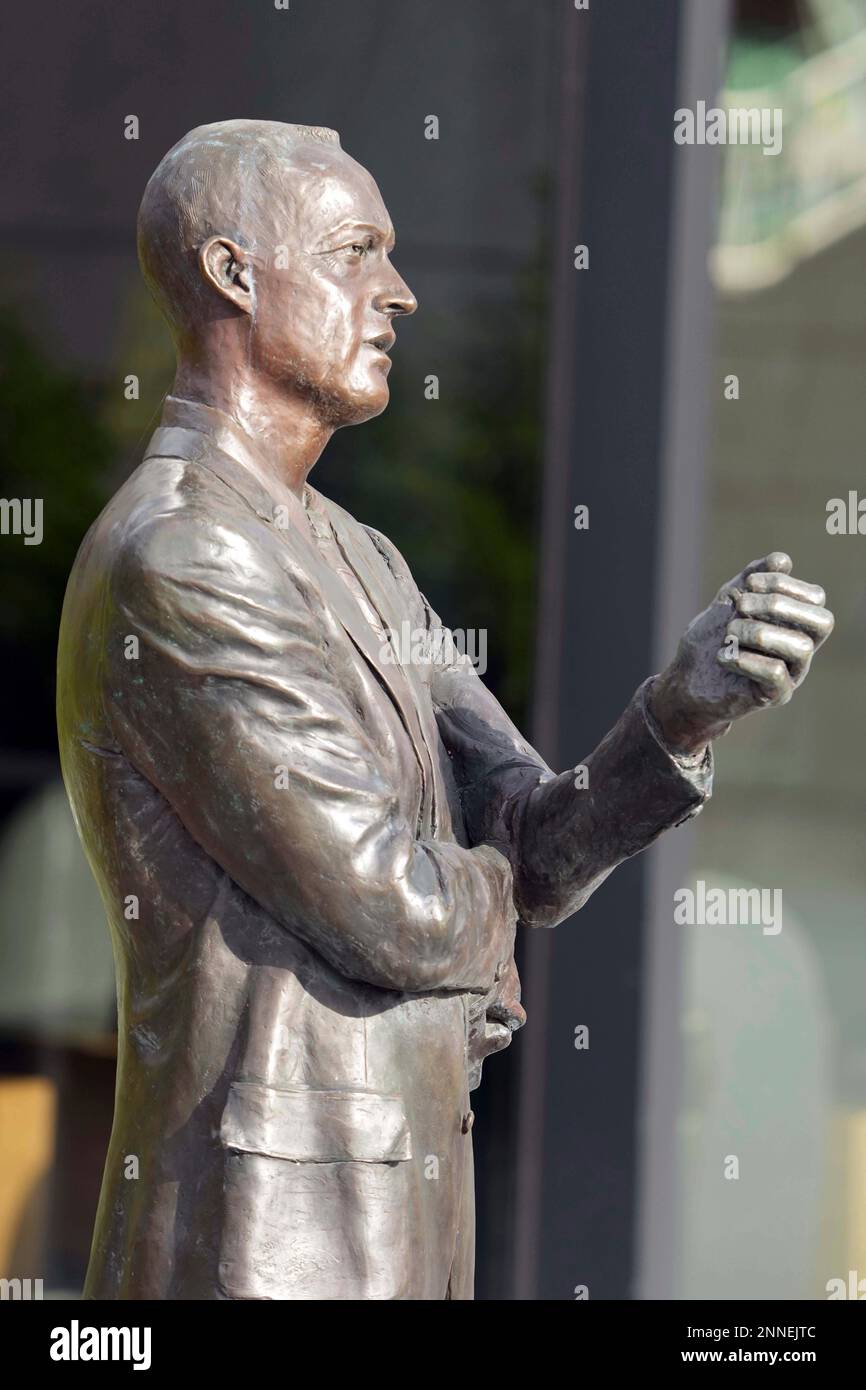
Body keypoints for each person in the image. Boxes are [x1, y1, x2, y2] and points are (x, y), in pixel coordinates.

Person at [57, 120, 834, 1299]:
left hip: (396, 1218)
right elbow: (401, 914)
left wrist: (674, 718)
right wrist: (486, 907)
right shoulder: (184, 555)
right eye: (355, 250)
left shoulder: (359, 555)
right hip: (259, 1240)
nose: (399, 292)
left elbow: (532, 844)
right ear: (231, 273)